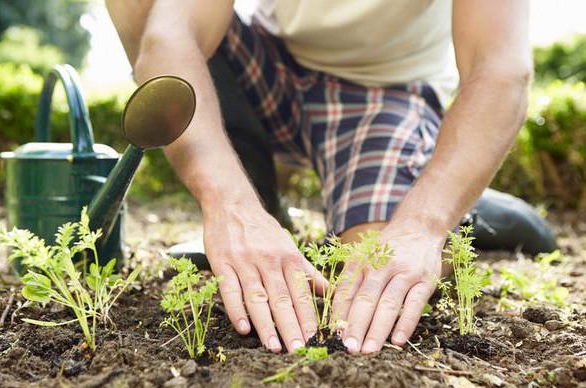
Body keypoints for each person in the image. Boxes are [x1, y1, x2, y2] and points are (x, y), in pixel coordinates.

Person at [107, 0, 552, 355]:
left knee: (372, 269)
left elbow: (500, 70)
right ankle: (259, 205)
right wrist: (229, 203)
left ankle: (449, 195)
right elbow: (170, 36)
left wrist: (423, 224)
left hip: (381, 92)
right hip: (269, 67)